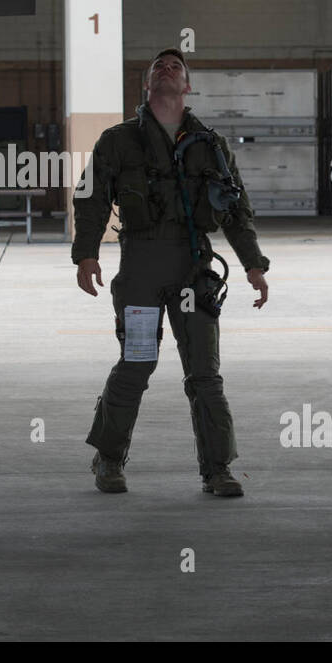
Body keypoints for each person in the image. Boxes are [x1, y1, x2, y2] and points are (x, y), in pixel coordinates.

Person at [72, 49, 271, 497]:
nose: (166, 69)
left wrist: (253, 264)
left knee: (205, 372)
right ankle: (108, 458)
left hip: (193, 267)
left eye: (176, 67)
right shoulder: (118, 140)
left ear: (187, 87)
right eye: (158, 66)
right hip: (141, 265)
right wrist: (86, 253)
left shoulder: (209, 145)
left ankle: (218, 469)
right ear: (147, 85)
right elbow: (91, 199)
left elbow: (236, 208)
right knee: (137, 363)